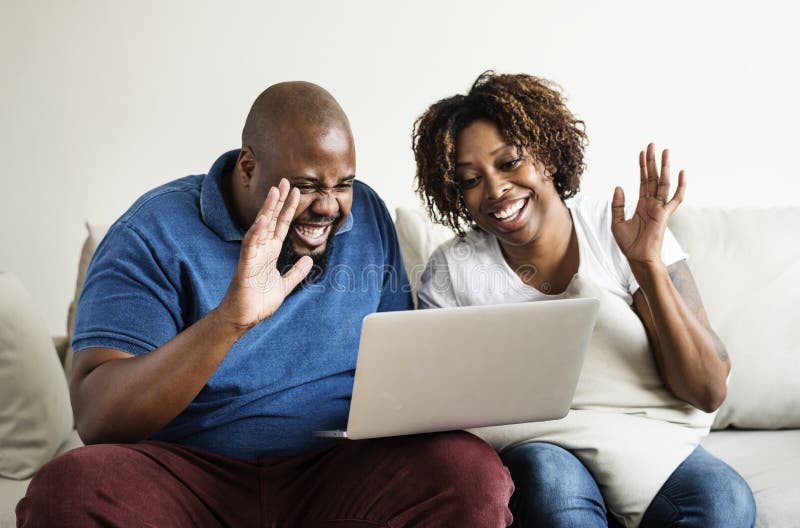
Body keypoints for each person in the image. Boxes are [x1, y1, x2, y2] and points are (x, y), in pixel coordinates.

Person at [16, 81, 514, 527]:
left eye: (342, 184)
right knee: (67, 488)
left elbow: (401, 370)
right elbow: (98, 416)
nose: (330, 206)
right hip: (188, 474)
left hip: (333, 471)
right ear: (248, 167)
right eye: (306, 186)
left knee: (467, 473)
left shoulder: (365, 216)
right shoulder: (152, 233)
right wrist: (229, 320)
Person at [412, 72, 755, 528]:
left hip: (642, 437)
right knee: (552, 484)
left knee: (724, 502)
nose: (495, 190)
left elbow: (708, 390)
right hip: (539, 445)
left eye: (510, 162)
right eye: (472, 179)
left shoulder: (619, 233)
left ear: (547, 155)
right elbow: (439, 410)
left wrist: (648, 265)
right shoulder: (450, 272)